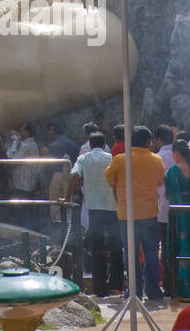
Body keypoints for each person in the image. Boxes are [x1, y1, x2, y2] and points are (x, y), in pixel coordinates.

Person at [104, 125, 166, 303]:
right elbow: (160, 182)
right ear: (148, 142)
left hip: (126, 214)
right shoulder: (156, 160)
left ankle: (134, 292)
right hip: (149, 213)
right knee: (151, 253)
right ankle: (153, 291)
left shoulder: (119, 160)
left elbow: (109, 180)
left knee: (131, 254)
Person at [66, 132, 123, 296]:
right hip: (113, 208)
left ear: (90, 145)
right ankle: (117, 285)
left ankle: (100, 288)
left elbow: (75, 175)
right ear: (105, 144)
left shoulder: (83, 159)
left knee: (97, 248)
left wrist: (67, 196)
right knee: (116, 246)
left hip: (95, 208)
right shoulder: (111, 158)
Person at [165, 139, 190, 300]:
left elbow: (168, 193)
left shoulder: (174, 170)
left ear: (177, 154)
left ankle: (182, 289)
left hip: (178, 214)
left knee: (177, 248)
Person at [154, 124, 176, 297]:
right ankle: (178, 284)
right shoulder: (180, 156)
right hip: (182, 210)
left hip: (162, 211)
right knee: (180, 247)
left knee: (164, 248)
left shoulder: (157, 158)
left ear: (158, 139)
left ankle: (166, 284)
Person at [6, 120, 42, 228]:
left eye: (22, 128)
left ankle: (25, 237)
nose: (20, 130)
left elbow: (13, 160)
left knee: (23, 214)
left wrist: (14, 142)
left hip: (23, 185)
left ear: (27, 132)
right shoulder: (32, 144)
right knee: (26, 212)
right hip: (28, 184)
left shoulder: (26, 145)